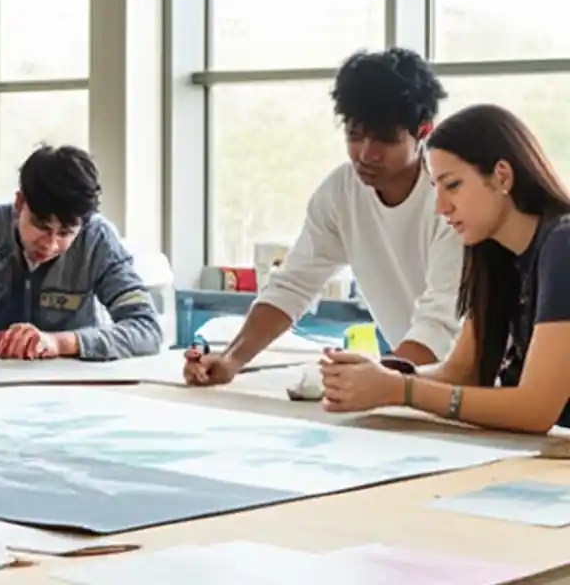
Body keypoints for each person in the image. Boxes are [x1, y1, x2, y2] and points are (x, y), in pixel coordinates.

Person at [185, 47, 464, 386]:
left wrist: (381, 381)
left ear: (423, 131)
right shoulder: (341, 193)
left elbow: (442, 322)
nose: (366, 154)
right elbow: (293, 286)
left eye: (385, 140)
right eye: (354, 135)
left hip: (479, 379)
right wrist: (230, 360)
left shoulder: (450, 199)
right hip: (411, 374)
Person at [320, 104, 570, 433]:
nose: (440, 207)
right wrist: (376, 377)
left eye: (452, 185)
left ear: (502, 176)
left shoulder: (562, 245)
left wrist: (401, 391)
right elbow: (462, 372)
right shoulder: (495, 256)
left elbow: (536, 409)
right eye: (435, 188)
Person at [0, 145, 163, 360]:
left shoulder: (98, 240)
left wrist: (61, 342)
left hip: (75, 378)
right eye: (41, 227)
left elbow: (147, 329)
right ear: (20, 203)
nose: (49, 246)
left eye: (65, 234)